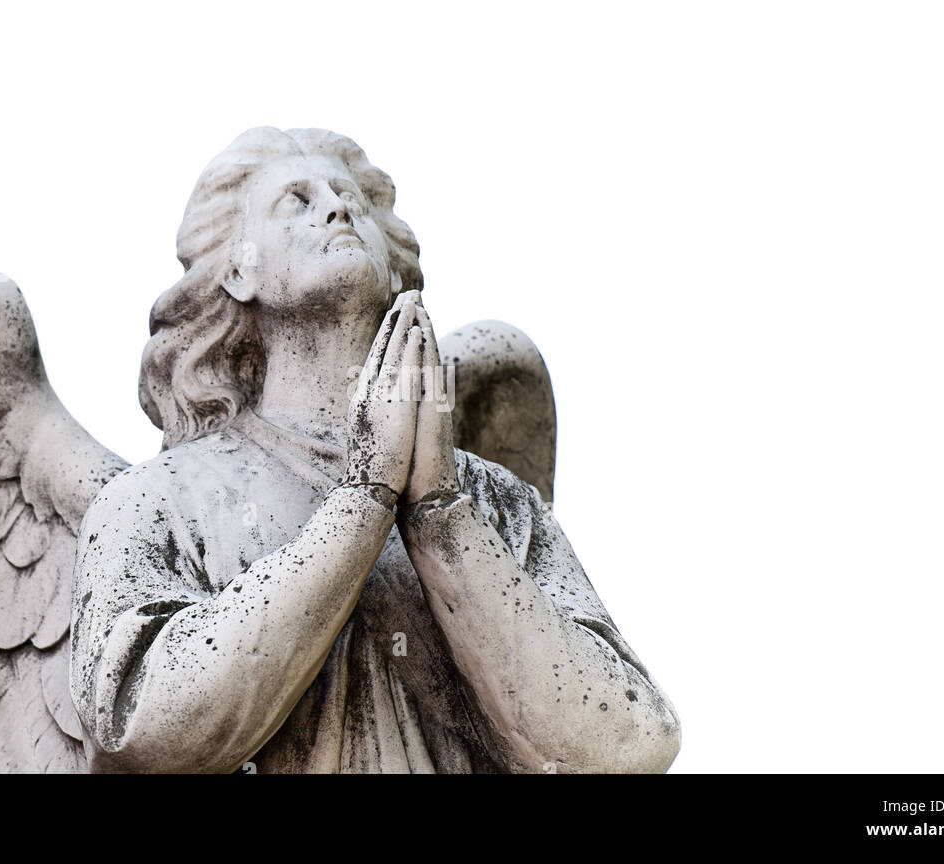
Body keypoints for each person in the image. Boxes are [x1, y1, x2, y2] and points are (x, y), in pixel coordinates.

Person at [69, 127, 681, 773]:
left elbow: (631, 740)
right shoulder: (161, 498)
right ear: (239, 270)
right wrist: (364, 499)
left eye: (348, 199)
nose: (336, 208)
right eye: (297, 202)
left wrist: (442, 515)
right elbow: (135, 722)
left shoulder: (493, 501)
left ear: (392, 265)